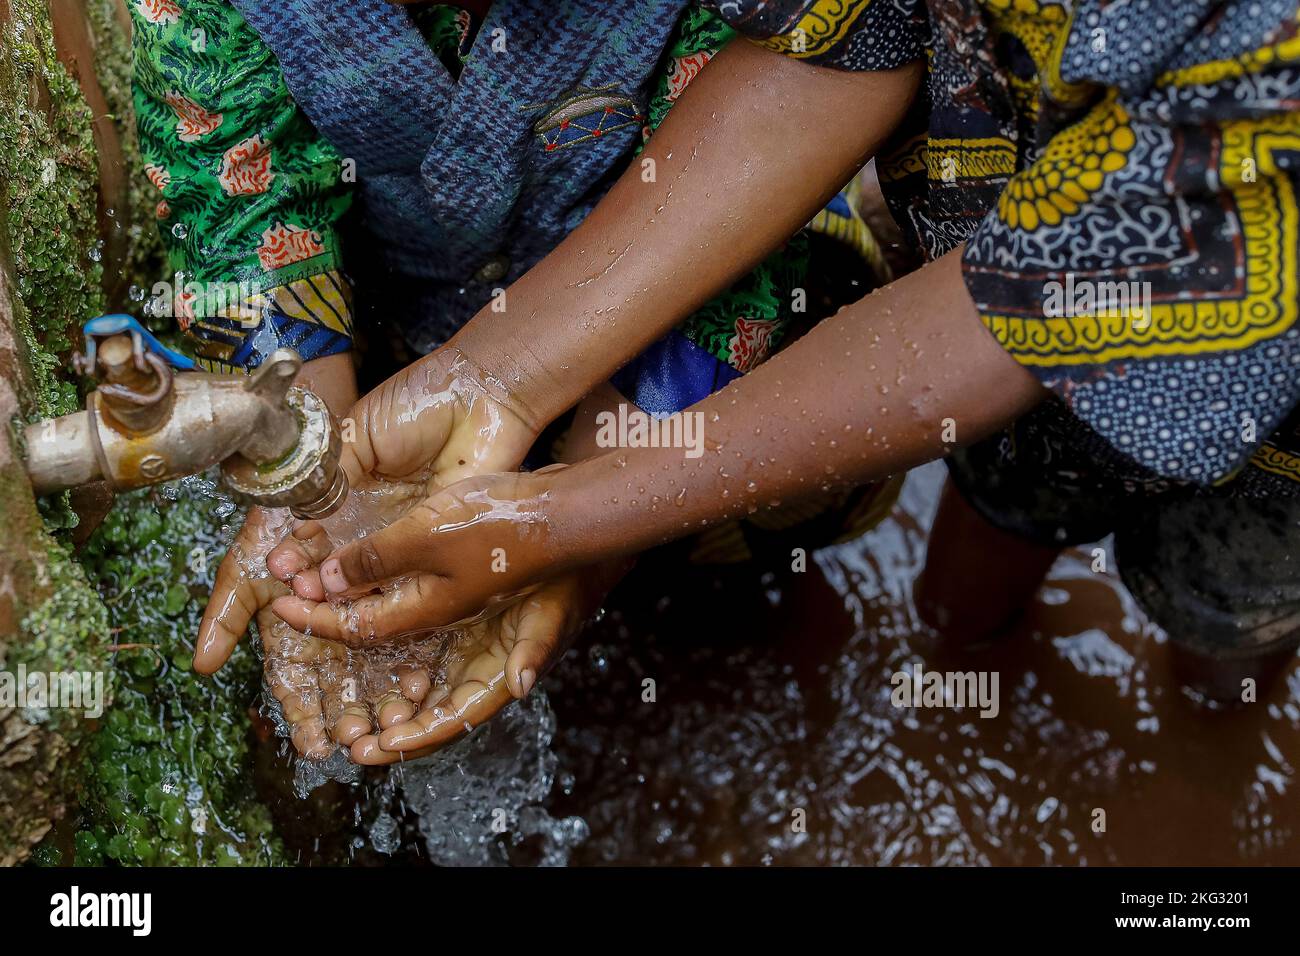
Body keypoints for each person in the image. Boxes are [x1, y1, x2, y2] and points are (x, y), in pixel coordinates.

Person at [266, 0, 1300, 760]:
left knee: (1223, 614)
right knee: (989, 537)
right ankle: (962, 679)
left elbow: (1023, 313)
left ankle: (1206, 737)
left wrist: (565, 519)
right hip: (985, 244)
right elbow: (844, 39)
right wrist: (492, 379)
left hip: (1272, 429)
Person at [133, 0, 924, 758]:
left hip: (701, 309)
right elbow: (245, 205)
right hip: (404, 325)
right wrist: (323, 488)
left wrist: (592, 521)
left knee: (755, 539)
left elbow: (796, 109)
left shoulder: (767, 26)